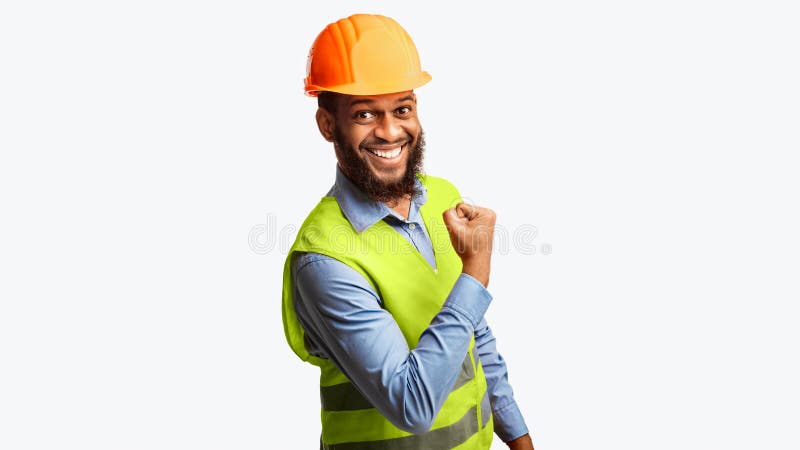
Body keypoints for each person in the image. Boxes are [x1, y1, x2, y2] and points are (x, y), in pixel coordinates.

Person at [281, 13, 534, 450]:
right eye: (365, 114)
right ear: (327, 126)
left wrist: (519, 435)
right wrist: (475, 273)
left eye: (403, 108)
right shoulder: (324, 259)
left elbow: (475, 333)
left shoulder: (442, 199)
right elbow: (411, 406)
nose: (391, 131)